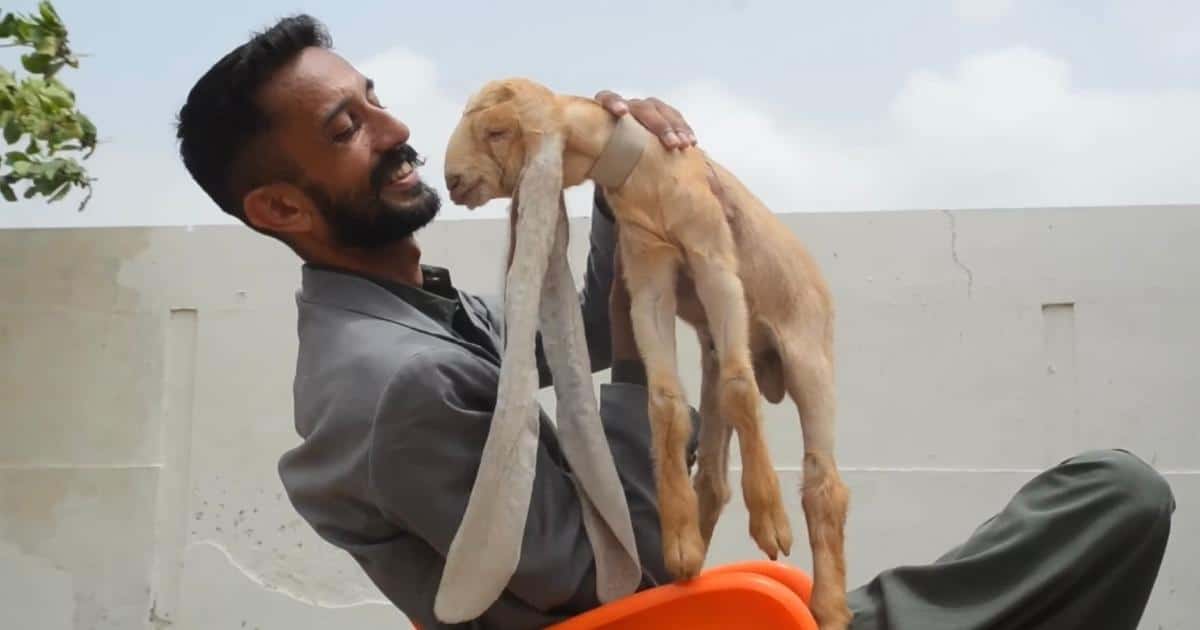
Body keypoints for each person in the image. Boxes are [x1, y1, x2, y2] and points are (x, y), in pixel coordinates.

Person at [175, 14, 1176, 630]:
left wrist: (620, 178)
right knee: (1116, 499)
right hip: (679, 623)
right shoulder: (391, 380)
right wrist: (655, 383)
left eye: (375, 101)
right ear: (281, 209)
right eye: (347, 129)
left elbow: (577, 347)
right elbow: (601, 576)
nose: (397, 133)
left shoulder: (417, 321)